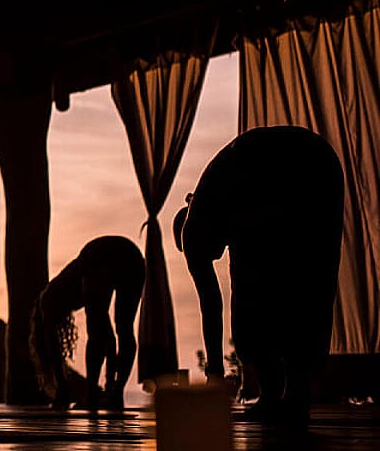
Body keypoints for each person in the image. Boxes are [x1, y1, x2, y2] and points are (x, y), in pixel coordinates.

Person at [175, 125, 343, 429]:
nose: (208, 259)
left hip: (267, 168)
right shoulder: (217, 195)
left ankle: (276, 394)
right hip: (320, 163)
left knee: (252, 293)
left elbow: (211, 305)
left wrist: (214, 374)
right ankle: (293, 394)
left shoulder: (194, 226)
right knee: (311, 282)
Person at [28, 235, 144, 412]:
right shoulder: (64, 289)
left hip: (99, 256)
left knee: (98, 332)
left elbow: (53, 348)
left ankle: (94, 395)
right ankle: (116, 394)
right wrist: (110, 382)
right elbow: (110, 340)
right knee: (125, 329)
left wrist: (62, 388)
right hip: (133, 257)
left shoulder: (48, 301)